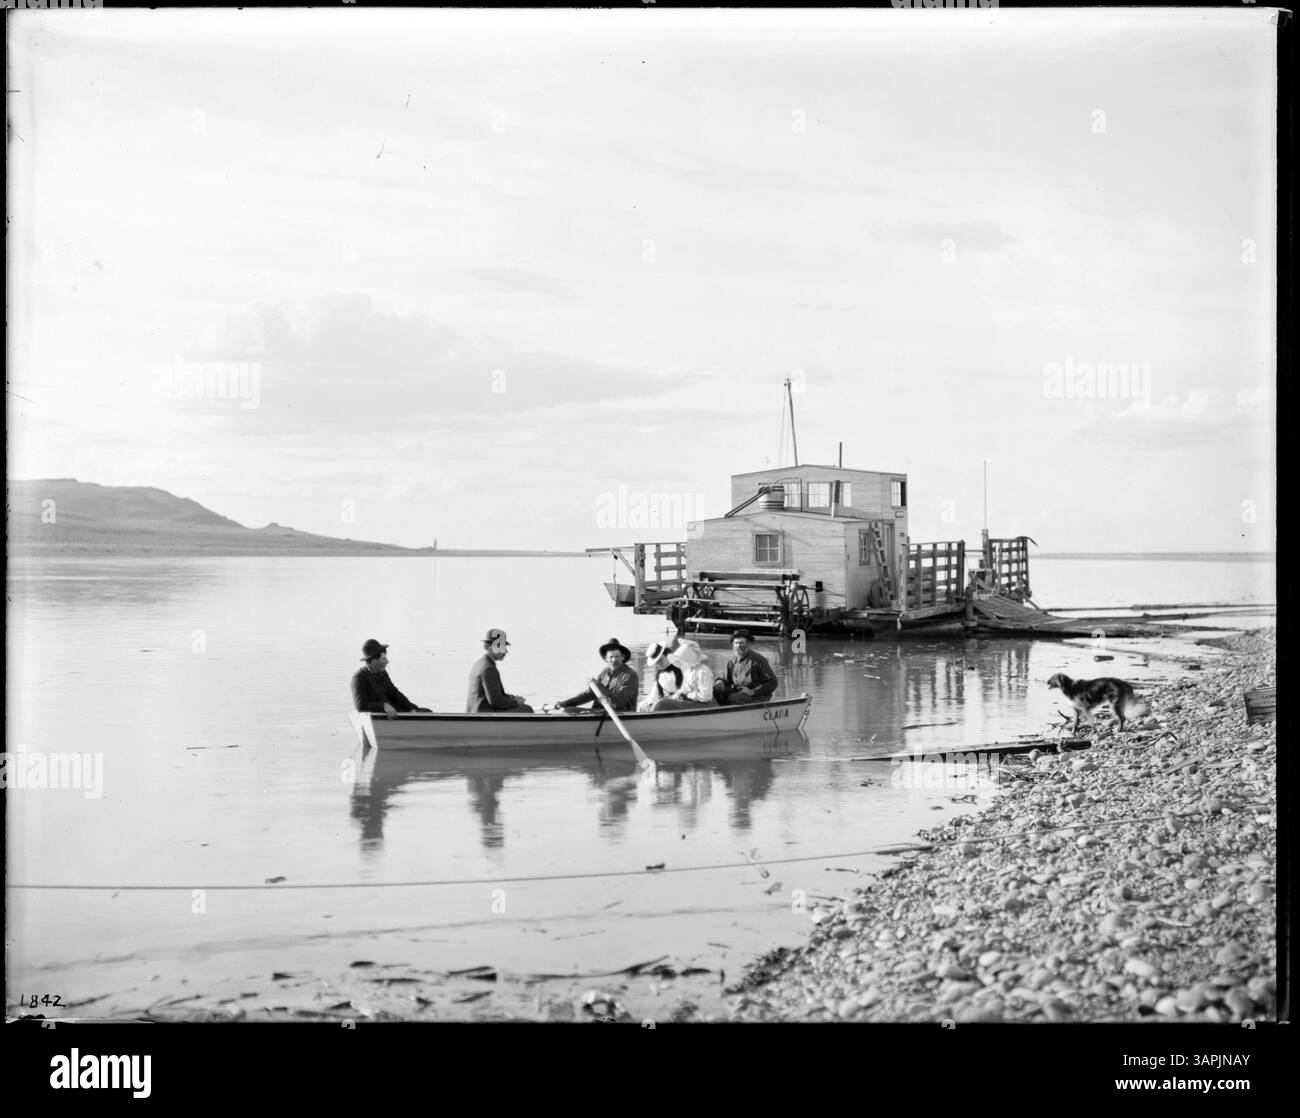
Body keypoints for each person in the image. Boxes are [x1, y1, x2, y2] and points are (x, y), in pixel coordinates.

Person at [556, 637, 640, 714]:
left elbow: (618, 703)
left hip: (621, 715)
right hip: (600, 713)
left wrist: (598, 685)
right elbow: (589, 695)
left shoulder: (630, 675)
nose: (614, 660)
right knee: (568, 709)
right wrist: (566, 703)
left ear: (623, 657)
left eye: (617, 656)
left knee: (570, 711)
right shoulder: (604, 673)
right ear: (606, 659)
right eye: (611, 657)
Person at [351, 639, 432, 717]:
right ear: (373, 661)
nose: (387, 662)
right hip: (382, 716)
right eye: (384, 659)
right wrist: (383, 706)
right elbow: (361, 706)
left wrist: (411, 708)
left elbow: (395, 693)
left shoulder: (382, 673)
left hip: (396, 711)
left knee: (427, 712)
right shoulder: (359, 678)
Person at [467, 628, 534, 713]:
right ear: (491, 648)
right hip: (484, 714)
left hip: (476, 712)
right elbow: (495, 701)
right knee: (526, 709)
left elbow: (495, 696)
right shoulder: (488, 668)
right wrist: (516, 702)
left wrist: (512, 698)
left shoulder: (479, 663)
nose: (505, 651)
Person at [713, 629, 778, 705]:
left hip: (757, 696)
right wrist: (720, 682)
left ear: (748, 644)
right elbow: (726, 679)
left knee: (733, 698)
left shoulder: (758, 659)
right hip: (738, 691)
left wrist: (753, 692)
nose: (738, 646)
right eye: (736, 643)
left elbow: (772, 682)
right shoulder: (732, 661)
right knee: (714, 692)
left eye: (741, 643)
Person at [652, 639, 716, 711]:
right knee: (661, 702)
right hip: (691, 702)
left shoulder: (703, 671)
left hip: (704, 705)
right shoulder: (688, 671)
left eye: (682, 659)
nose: (681, 662)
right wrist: (673, 697)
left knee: (662, 705)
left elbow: (706, 696)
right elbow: (684, 689)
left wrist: (688, 695)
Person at [638, 639, 682, 711]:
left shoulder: (681, 668)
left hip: (679, 703)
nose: (659, 664)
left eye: (661, 660)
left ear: (667, 655)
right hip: (665, 702)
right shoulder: (660, 675)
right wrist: (649, 704)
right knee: (642, 705)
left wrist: (670, 698)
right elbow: (654, 694)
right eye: (656, 662)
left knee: (660, 704)